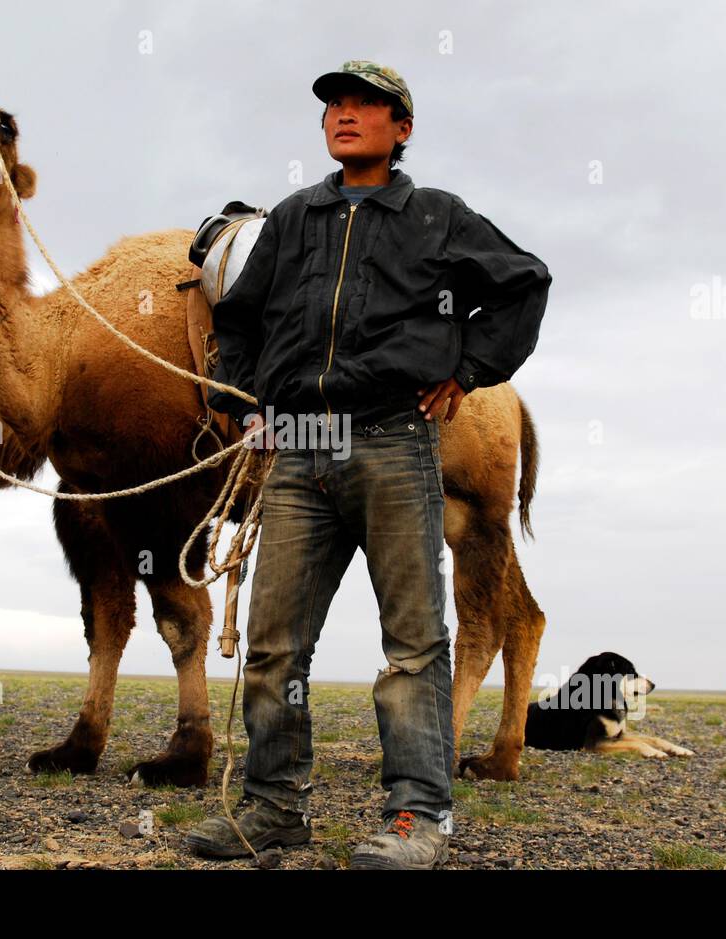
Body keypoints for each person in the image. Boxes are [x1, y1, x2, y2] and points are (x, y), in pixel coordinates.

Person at [186, 60, 551, 869]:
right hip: (297, 453)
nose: (346, 116)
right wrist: (243, 403)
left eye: (367, 106)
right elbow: (237, 319)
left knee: (413, 645)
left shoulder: (438, 216)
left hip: (391, 441)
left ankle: (417, 820)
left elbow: (525, 284)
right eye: (336, 106)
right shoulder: (291, 219)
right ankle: (275, 809)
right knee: (276, 647)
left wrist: (468, 370)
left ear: (402, 129)